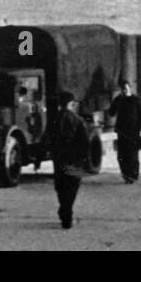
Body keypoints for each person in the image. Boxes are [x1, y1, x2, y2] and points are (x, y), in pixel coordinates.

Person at [52, 90, 90, 230]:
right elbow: (85, 142)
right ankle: (66, 214)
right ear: (71, 103)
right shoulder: (77, 120)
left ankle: (64, 212)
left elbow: (48, 138)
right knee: (71, 188)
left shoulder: (54, 119)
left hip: (59, 159)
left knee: (61, 187)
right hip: (74, 160)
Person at [109, 80, 141, 183]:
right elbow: (111, 113)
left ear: (130, 88)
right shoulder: (119, 99)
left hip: (133, 132)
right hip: (122, 132)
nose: (124, 91)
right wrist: (116, 101)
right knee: (121, 156)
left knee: (132, 155)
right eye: (122, 89)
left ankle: (133, 176)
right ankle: (126, 176)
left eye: (126, 89)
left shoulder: (136, 100)